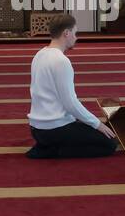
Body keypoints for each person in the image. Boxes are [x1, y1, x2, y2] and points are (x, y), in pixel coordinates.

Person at [25, 13, 119, 159]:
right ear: (66, 33)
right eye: (75, 33)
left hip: (37, 129)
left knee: (93, 131)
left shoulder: (39, 54)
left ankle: (47, 145)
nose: (76, 37)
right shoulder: (61, 61)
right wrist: (97, 125)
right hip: (55, 129)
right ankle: (51, 151)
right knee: (110, 144)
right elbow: (71, 104)